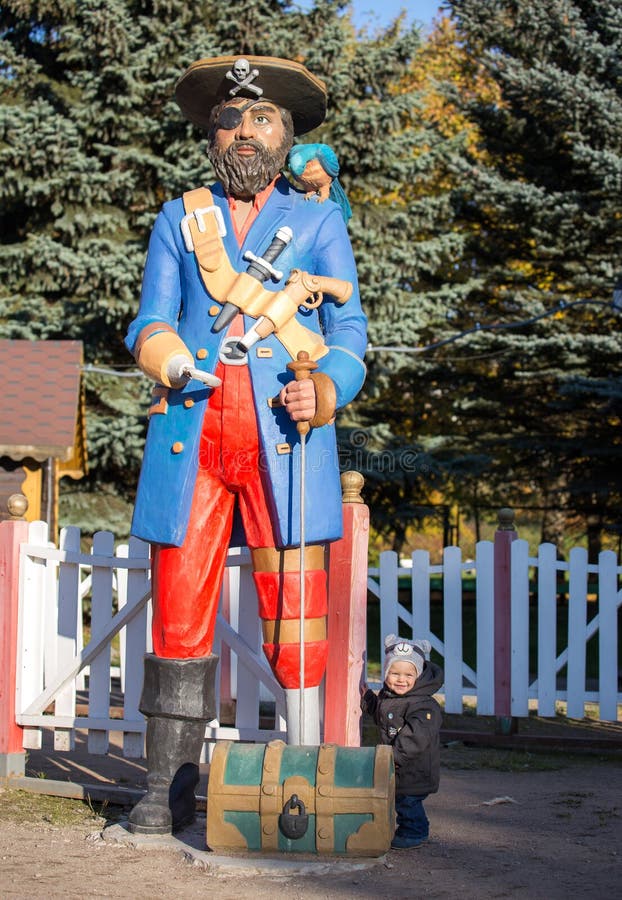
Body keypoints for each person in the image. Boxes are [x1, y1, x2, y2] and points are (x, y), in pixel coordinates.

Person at [124, 54, 367, 834]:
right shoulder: (179, 219)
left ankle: (306, 780)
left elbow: (351, 331)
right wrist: (167, 356)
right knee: (178, 614)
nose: (243, 133)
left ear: (286, 136)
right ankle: (167, 790)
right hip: (190, 435)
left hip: (284, 442)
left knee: (294, 610)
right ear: (210, 134)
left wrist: (323, 389)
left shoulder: (320, 220)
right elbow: (149, 319)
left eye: (261, 119)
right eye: (229, 119)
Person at [361, 635, 444, 849]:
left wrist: (394, 757)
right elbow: (381, 713)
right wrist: (369, 700)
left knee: (408, 801)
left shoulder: (423, 706)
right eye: (394, 673)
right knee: (400, 797)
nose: (401, 680)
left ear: (419, 675)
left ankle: (415, 832)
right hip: (399, 765)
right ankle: (411, 829)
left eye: (409, 674)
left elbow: (416, 737)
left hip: (414, 767)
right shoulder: (392, 698)